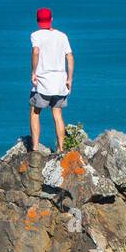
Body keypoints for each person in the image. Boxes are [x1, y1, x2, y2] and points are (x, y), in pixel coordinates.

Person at [29, 8, 74, 153]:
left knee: (35, 112)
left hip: (43, 82)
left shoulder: (36, 35)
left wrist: (33, 72)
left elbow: (36, 51)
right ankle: (61, 149)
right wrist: (69, 79)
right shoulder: (62, 36)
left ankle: (35, 147)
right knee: (58, 114)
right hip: (60, 82)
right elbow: (70, 57)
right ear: (52, 19)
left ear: (37, 20)